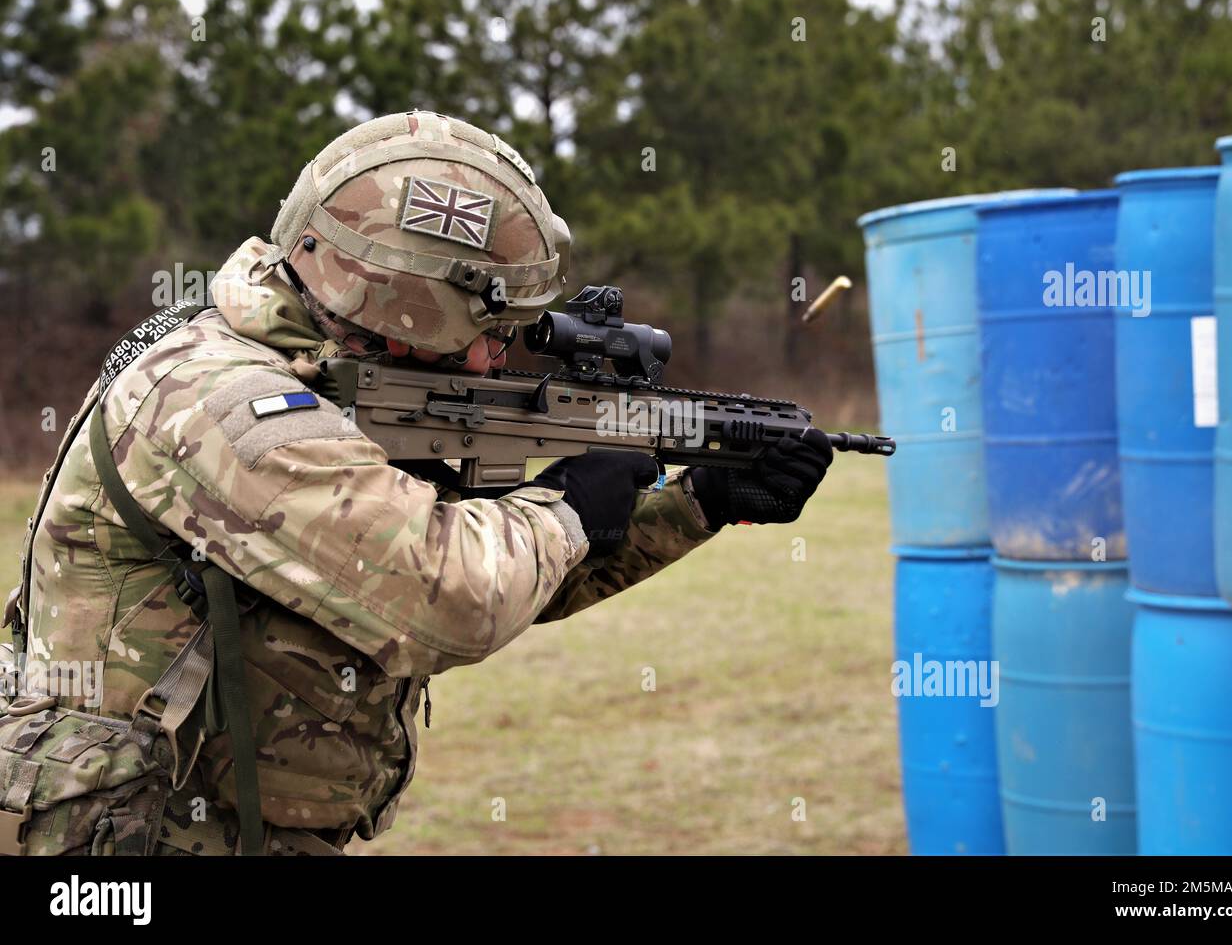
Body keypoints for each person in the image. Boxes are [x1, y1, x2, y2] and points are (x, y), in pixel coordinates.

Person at [0, 111, 832, 856]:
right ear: (401, 303)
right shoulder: (221, 401)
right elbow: (450, 594)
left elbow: (513, 577)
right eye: (490, 326)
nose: (502, 354)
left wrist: (695, 504)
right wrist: (572, 506)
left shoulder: (335, 379)